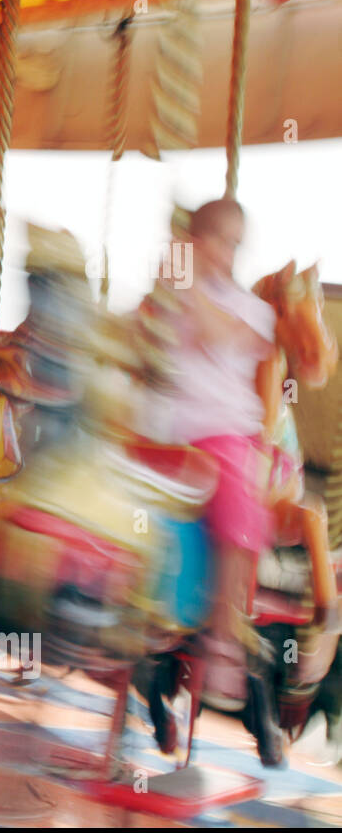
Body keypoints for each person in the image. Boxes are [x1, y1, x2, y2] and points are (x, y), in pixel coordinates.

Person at [136, 199, 284, 765]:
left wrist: (185, 277)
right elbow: (144, 334)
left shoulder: (250, 309)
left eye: (232, 242)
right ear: (195, 239)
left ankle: (223, 634)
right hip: (164, 431)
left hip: (221, 434)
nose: (223, 251)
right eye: (213, 239)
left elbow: (213, 333)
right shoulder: (170, 292)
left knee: (232, 497)